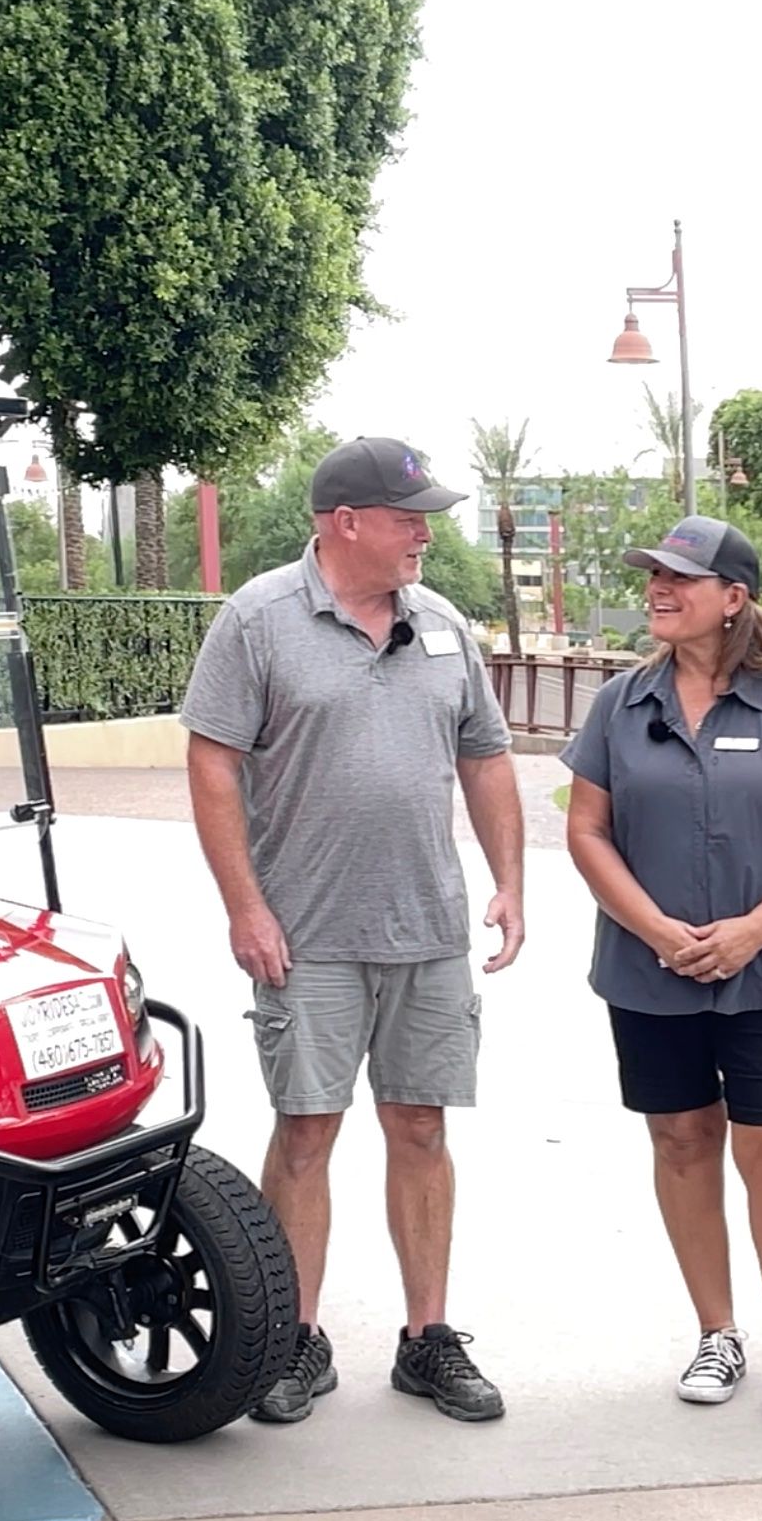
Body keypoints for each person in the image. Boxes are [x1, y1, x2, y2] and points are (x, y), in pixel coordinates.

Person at [182, 436, 529, 1426]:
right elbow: (211, 767)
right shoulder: (257, 619)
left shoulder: (445, 626)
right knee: (305, 1132)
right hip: (307, 933)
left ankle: (427, 1338)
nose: (423, 534)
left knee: (421, 1124)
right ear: (344, 522)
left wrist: (508, 880)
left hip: (428, 927)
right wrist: (245, 906)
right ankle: (290, 1335)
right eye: (406, 516)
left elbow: (488, 756)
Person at [559, 515, 762, 1431]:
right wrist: (652, 927)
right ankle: (716, 1331)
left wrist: (751, 932)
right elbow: (585, 830)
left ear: (733, 598)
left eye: (679, 577)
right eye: (652, 573)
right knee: (682, 1140)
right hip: (647, 971)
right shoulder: (618, 704)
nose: (658, 587)